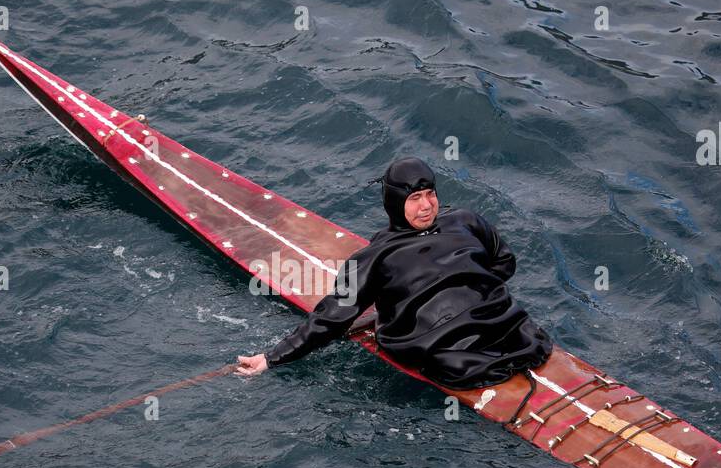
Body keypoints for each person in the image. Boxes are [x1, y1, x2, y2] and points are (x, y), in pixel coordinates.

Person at [235, 157, 552, 388]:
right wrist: (274, 357)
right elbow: (504, 264)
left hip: (459, 358)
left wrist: (272, 357)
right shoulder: (466, 221)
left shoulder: (372, 259)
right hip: (519, 336)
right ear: (395, 202)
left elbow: (334, 318)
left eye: (430, 194)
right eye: (415, 198)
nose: (426, 206)